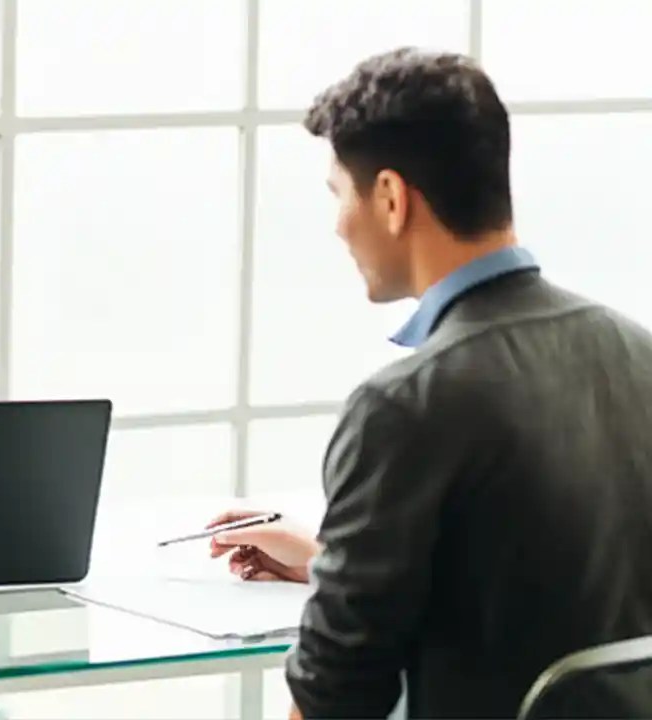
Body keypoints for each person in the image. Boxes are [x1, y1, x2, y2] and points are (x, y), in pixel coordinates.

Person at [207, 48, 652, 718]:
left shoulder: (405, 406)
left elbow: (334, 699)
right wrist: (331, 562)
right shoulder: (634, 353)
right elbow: (552, 585)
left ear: (390, 197)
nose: (336, 226)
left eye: (339, 196)